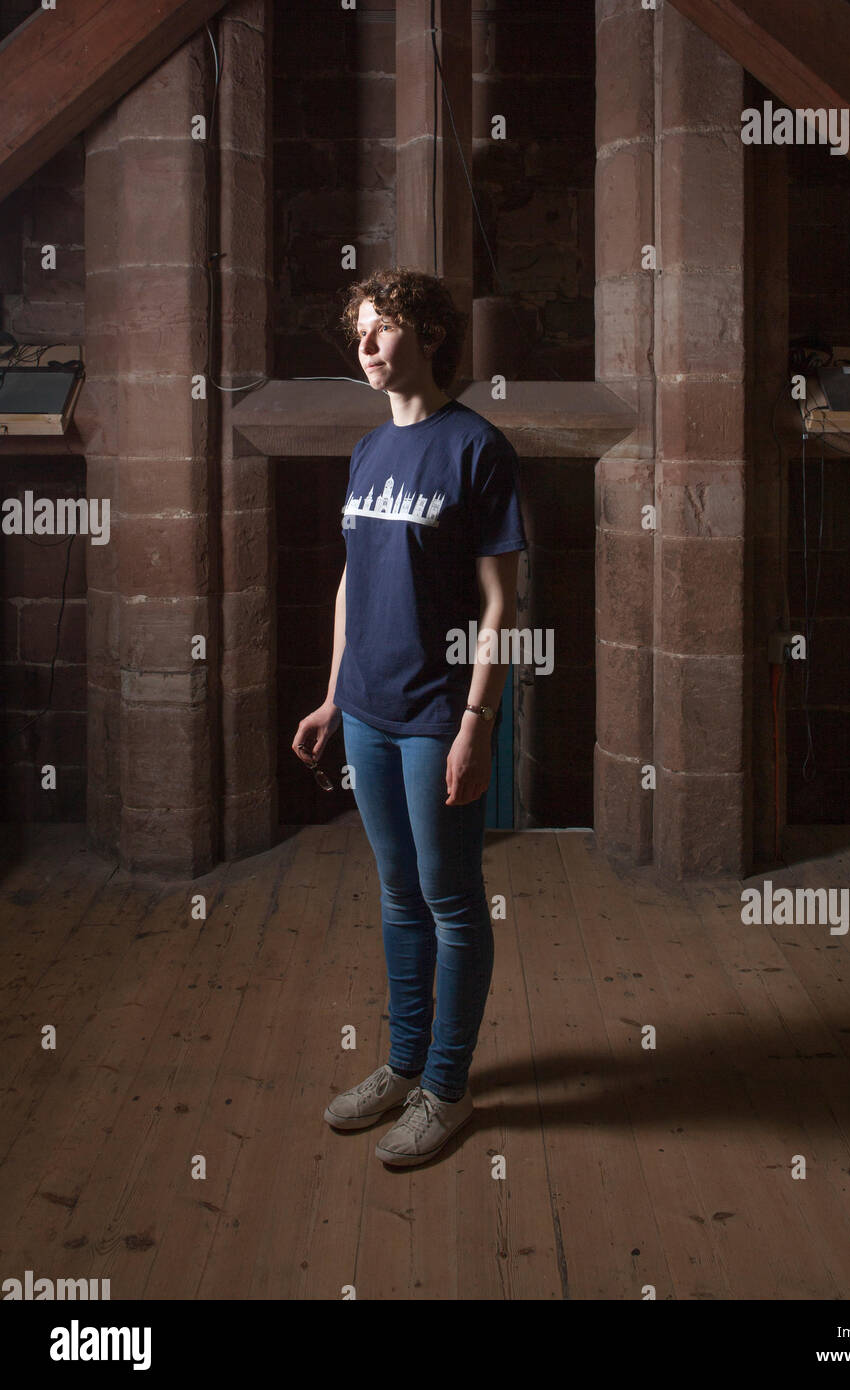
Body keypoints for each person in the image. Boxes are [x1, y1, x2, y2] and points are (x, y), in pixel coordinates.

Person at [292, 267, 527, 1167]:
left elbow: (501, 607)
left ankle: (447, 1087)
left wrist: (476, 723)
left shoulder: (476, 448)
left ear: (427, 334)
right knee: (397, 897)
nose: (366, 344)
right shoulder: (365, 452)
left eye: (383, 326)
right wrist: (330, 692)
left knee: (452, 904)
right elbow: (353, 579)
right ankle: (400, 1064)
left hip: (436, 715)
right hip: (366, 710)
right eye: (357, 329)